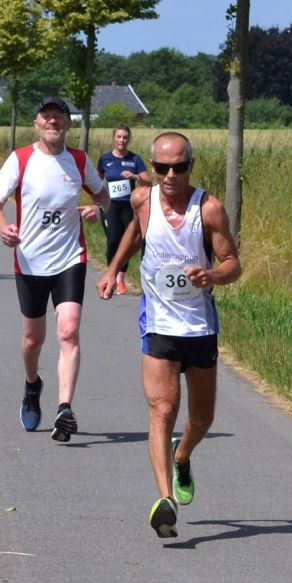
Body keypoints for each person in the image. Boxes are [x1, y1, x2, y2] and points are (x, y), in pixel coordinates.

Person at [97, 132, 241, 539]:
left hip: (199, 325)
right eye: (162, 168)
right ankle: (165, 501)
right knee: (162, 409)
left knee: (202, 418)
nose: (171, 175)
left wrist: (211, 274)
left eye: (179, 167)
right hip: (158, 324)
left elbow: (233, 262)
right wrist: (114, 269)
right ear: (153, 168)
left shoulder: (209, 209)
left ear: (191, 165)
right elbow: (136, 233)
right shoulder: (142, 200)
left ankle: (182, 455)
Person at [0, 96, 110, 441]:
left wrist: (97, 211)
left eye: (59, 116)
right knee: (33, 339)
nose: (53, 121)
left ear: (68, 124)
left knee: (68, 330)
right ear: (37, 123)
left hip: (70, 258)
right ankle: (32, 385)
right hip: (30, 261)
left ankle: (64, 409)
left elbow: (103, 197)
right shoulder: (21, 159)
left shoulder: (79, 160)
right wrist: (3, 228)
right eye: (47, 116)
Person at [96, 124, 150, 294]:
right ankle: (110, 274)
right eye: (119, 137)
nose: (122, 140)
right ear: (114, 138)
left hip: (129, 206)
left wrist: (135, 176)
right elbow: (96, 182)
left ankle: (120, 279)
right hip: (110, 205)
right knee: (113, 240)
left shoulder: (135, 159)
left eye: (125, 137)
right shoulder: (105, 159)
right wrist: (97, 200)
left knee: (125, 242)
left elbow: (148, 182)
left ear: (129, 139)